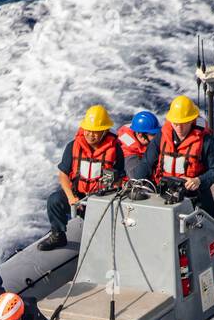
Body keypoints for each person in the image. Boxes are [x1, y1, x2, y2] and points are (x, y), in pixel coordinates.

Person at [38, 105, 125, 251]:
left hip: (101, 200)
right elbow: (63, 174)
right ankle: (58, 235)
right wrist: (71, 197)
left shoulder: (115, 150)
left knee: (104, 235)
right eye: (88, 130)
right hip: (78, 197)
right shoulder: (72, 147)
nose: (91, 135)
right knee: (54, 200)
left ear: (104, 131)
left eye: (96, 132)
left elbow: (121, 178)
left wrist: (112, 187)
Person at [151, 94, 214, 217]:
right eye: (175, 123)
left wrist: (199, 180)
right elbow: (147, 163)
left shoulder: (205, 140)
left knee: (207, 229)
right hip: (166, 195)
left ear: (191, 120)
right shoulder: (161, 136)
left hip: (196, 198)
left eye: (183, 123)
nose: (179, 127)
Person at [118, 110, 161, 180]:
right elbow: (135, 177)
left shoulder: (143, 137)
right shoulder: (128, 150)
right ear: (141, 135)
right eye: (153, 134)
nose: (157, 137)